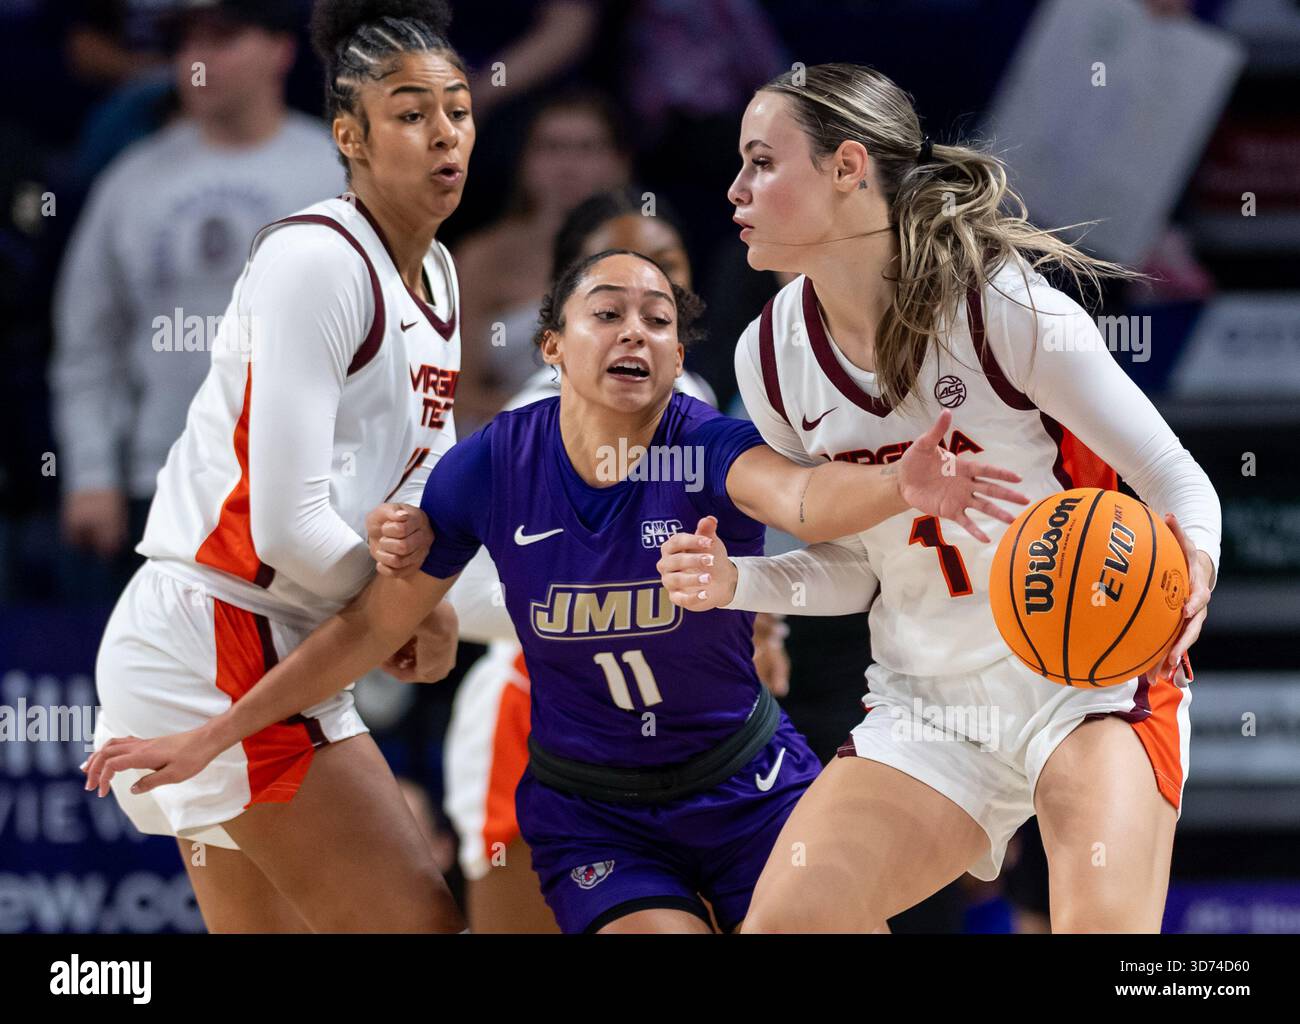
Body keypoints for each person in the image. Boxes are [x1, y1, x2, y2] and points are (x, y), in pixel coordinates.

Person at [84, 248, 1030, 934]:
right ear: (553, 346)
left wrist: (900, 486)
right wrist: (213, 733)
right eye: (608, 312)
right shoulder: (489, 467)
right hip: (598, 811)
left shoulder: (703, 444)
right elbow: (374, 625)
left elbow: (805, 495)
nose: (637, 331)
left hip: (747, 786)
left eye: (659, 319)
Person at [658, 62, 1221, 933]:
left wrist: (1199, 566)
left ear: (848, 168)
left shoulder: (1000, 307)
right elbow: (854, 573)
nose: (734, 188)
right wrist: (738, 582)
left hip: (1088, 681)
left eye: (762, 162)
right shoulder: (769, 357)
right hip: (928, 702)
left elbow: (1176, 478)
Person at [83, 0, 475, 933]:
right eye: (410, 114)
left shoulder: (441, 272)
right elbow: (287, 529)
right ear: (350, 134)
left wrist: (433, 602)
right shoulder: (315, 259)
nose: (444, 135)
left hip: (272, 639)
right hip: (220, 634)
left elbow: (424, 493)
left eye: (457, 108)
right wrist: (411, 609)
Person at [438, 187, 782, 934]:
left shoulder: (690, 399)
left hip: (694, 740)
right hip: (540, 715)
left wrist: (754, 624)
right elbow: (449, 598)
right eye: (614, 281)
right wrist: (599, 605)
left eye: (668, 268)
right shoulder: (534, 423)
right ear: (563, 311)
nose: (647, 290)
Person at [51, 0, 344, 599]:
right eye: (185, 45)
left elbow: (390, 335)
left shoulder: (337, 172)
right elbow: (88, 343)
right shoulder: (130, 181)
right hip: (158, 477)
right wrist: (90, 473)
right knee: (161, 686)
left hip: (309, 482)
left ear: (281, 51)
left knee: (293, 687)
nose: (197, 61)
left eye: (222, 40)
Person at [453, 91, 631, 429]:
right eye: (551, 148)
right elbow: (458, 390)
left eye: (586, 149)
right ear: (524, 162)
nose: (568, 166)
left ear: (620, 163)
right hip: (499, 436)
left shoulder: (646, 252)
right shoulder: (483, 256)